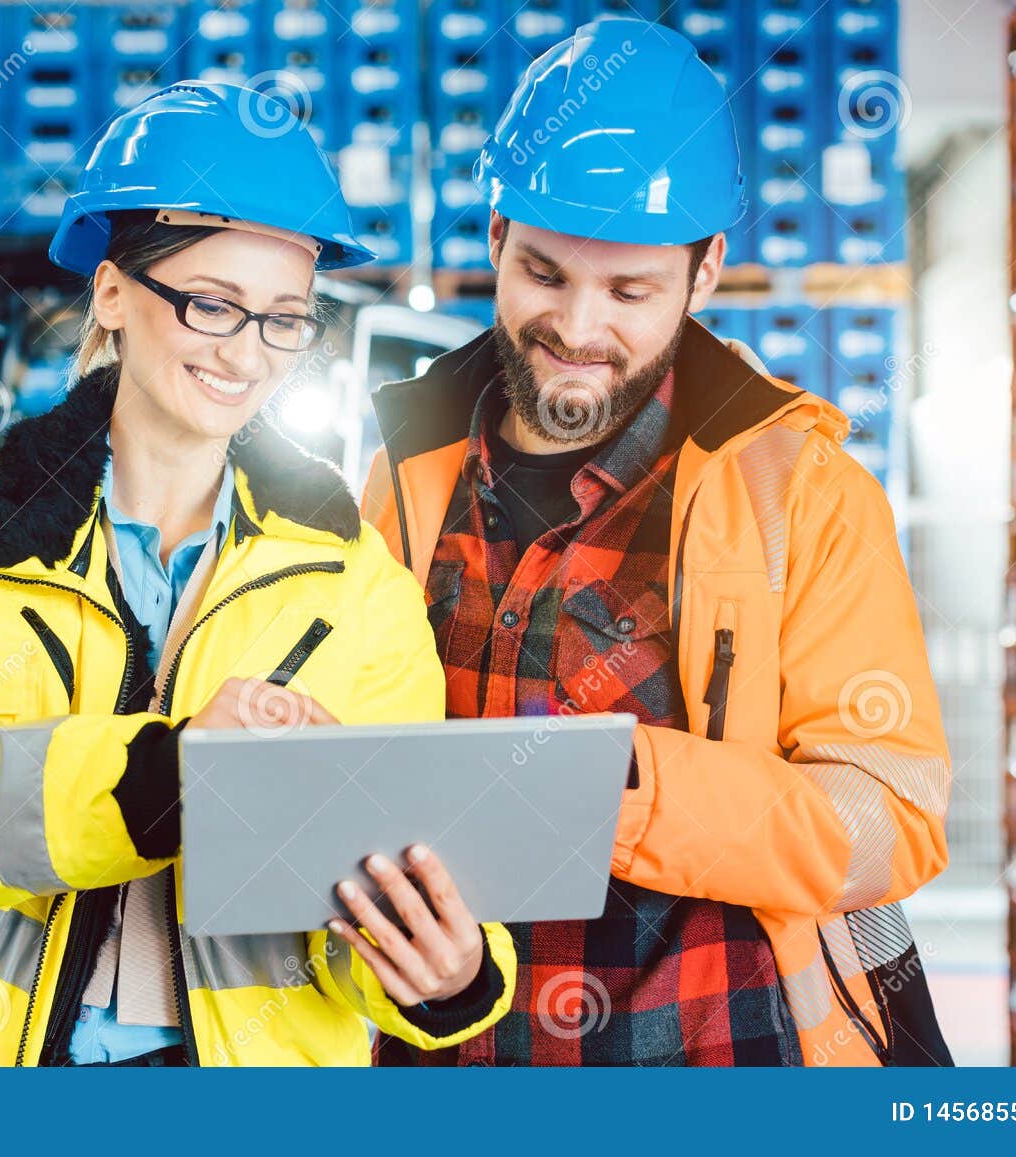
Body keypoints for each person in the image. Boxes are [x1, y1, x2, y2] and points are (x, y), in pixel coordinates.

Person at [0, 81, 515, 1067]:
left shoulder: (354, 583)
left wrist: (446, 969)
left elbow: (371, 884)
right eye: (210, 303)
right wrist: (168, 772)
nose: (248, 352)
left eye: (285, 318)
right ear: (111, 291)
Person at [362, 19, 953, 1067]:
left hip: (712, 1056)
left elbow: (889, 815)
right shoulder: (403, 477)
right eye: (544, 272)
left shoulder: (804, 494)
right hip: (444, 1051)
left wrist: (621, 788)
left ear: (705, 270)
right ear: (496, 236)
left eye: (629, 291)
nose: (577, 327)